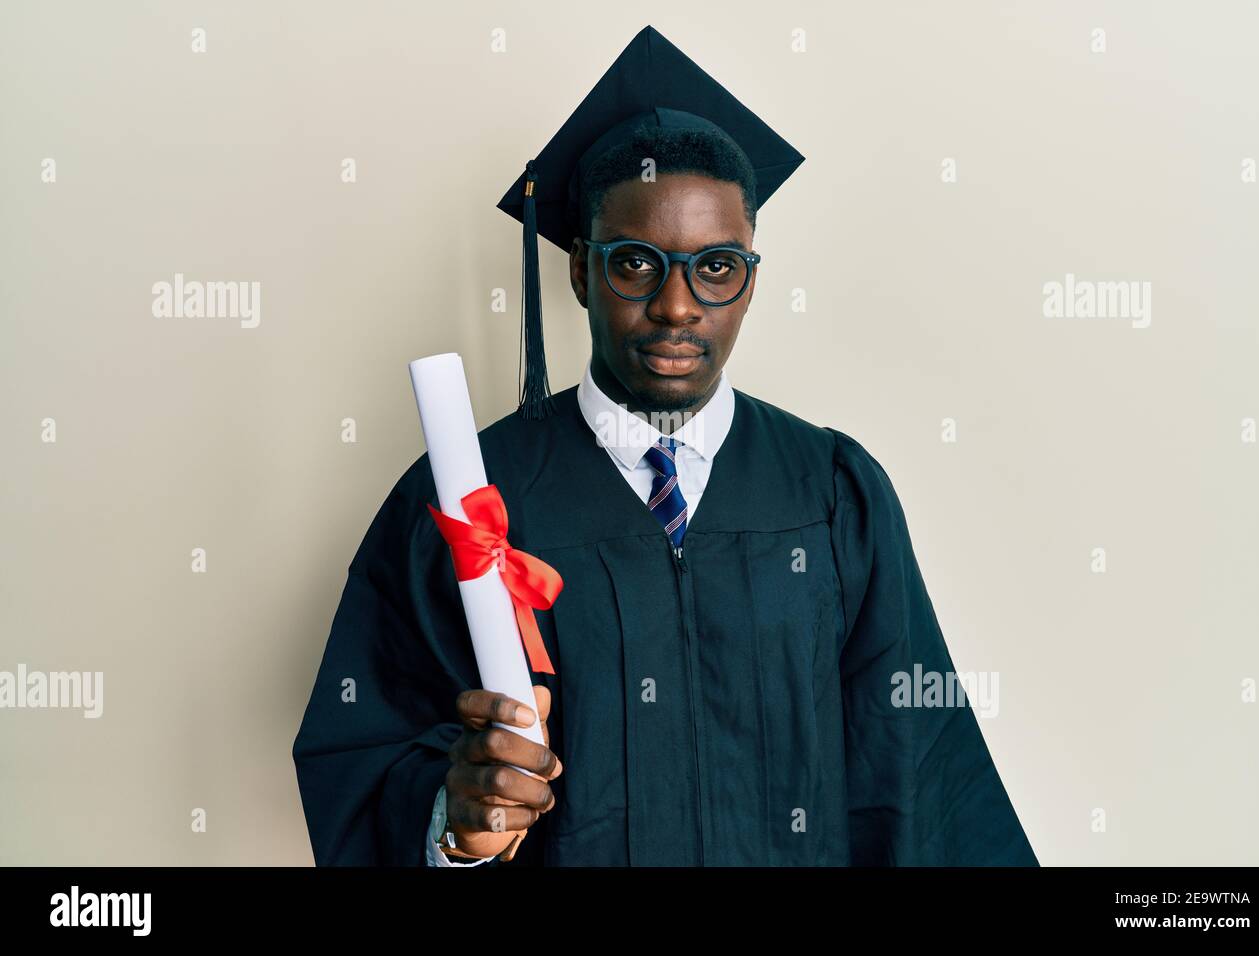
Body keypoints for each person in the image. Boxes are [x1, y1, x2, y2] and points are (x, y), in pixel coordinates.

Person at [292, 24, 1038, 867]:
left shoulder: (832, 491)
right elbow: (366, 755)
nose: (679, 307)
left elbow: (917, 776)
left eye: (718, 267)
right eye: (637, 266)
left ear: (751, 278)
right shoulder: (473, 501)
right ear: (580, 272)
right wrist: (452, 829)